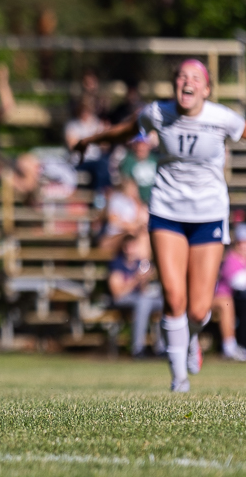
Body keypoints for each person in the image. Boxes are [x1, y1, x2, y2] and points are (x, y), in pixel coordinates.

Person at [75, 59, 246, 392]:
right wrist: (91, 140)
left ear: (206, 89)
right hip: (167, 211)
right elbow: (125, 130)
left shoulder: (221, 118)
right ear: (174, 85)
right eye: (181, 76)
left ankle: (193, 339)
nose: (187, 81)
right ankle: (178, 376)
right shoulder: (157, 113)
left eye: (195, 77)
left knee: (198, 309)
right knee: (173, 295)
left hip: (208, 215)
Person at [108, 234, 164, 357]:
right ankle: (137, 348)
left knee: (165, 302)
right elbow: (117, 293)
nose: (131, 250)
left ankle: (162, 348)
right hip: (122, 299)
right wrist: (136, 279)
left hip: (140, 299)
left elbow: (144, 291)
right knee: (143, 302)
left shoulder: (140, 264)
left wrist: (145, 280)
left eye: (133, 246)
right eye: (128, 247)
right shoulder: (117, 264)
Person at [214, 223, 246, 360]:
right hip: (221, 296)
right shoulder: (231, 259)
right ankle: (230, 346)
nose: (242, 246)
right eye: (240, 242)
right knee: (226, 303)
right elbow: (236, 281)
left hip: (240, 299)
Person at [118, 132, 158, 205]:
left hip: (155, 200)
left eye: (143, 144)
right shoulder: (129, 160)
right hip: (136, 203)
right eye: (138, 143)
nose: (140, 147)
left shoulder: (155, 159)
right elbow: (127, 186)